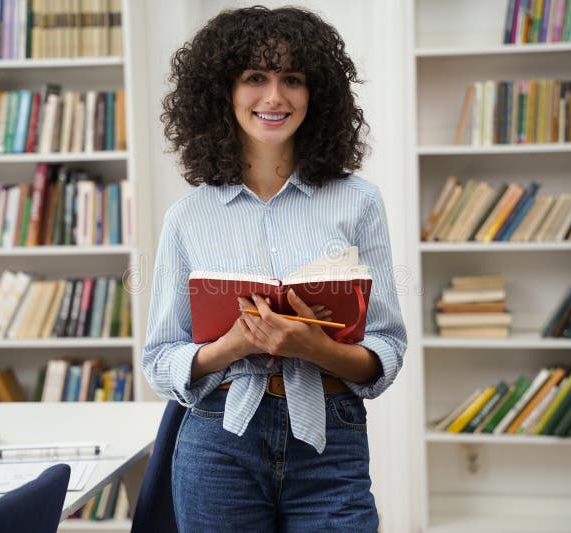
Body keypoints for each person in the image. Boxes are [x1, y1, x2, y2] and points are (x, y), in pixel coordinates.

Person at [143, 6, 406, 532]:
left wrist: (317, 349)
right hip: (218, 442)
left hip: (331, 438)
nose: (274, 97)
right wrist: (233, 346)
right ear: (223, 91)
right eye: (255, 78)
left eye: (292, 79)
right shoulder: (187, 217)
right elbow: (160, 358)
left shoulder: (358, 202)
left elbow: (387, 349)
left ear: (317, 94)